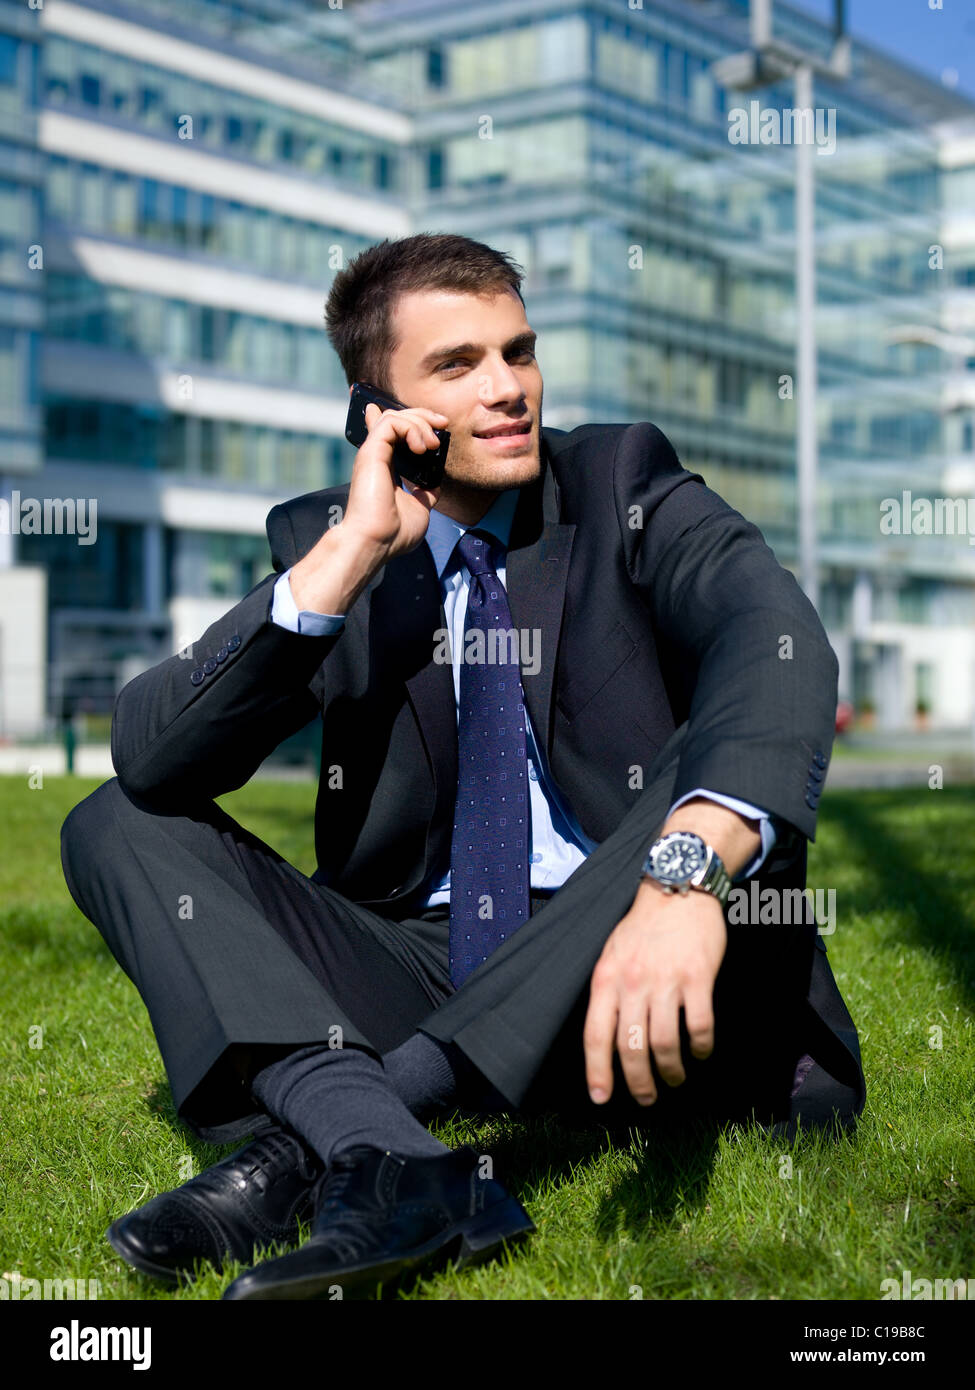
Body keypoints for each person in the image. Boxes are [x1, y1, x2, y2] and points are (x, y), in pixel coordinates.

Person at [60, 232, 865, 1302]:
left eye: (518, 352)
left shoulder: (624, 479)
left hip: (642, 953)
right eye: (458, 365)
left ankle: (326, 1139)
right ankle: (396, 1157)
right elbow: (153, 753)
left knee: (701, 754)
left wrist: (687, 874)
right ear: (376, 412)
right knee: (115, 818)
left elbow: (776, 640)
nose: (507, 389)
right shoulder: (333, 538)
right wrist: (343, 561)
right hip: (426, 960)